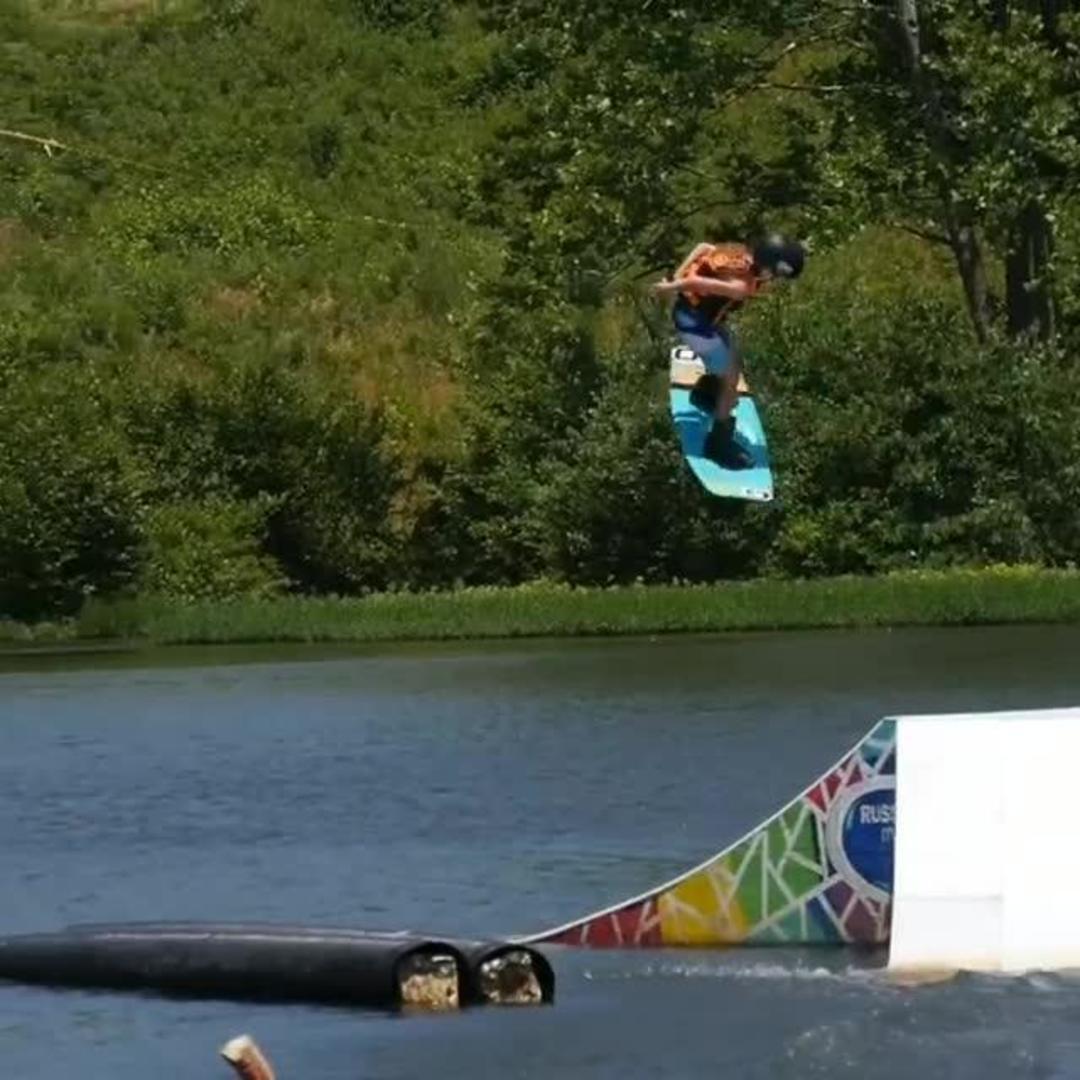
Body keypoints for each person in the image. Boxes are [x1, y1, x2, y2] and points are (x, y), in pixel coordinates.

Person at [653, 234, 805, 468]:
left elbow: (703, 247)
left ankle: (707, 393)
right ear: (767, 268)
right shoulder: (740, 286)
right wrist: (671, 286)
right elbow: (698, 284)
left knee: (731, 354)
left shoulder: (740, 256)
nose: (775, 280)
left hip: (701, 319)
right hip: (695, 326)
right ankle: (718, 443)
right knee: (731, 376)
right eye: (775, 275)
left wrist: (677, 274)